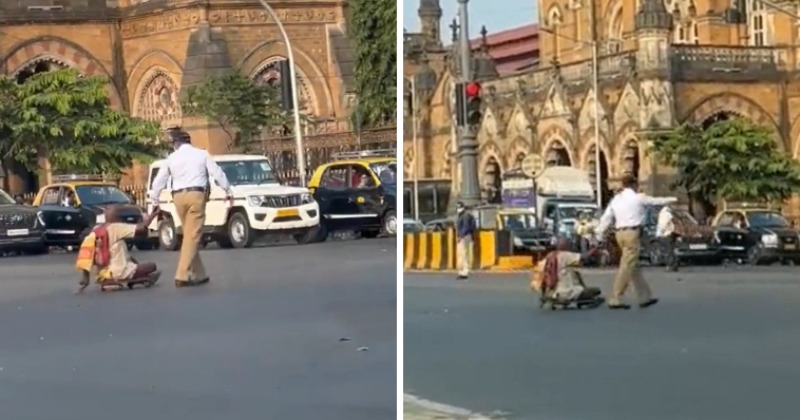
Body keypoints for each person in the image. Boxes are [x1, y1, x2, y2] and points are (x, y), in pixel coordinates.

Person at [149, 128, 234, 287]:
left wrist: (155, 201)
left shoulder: (171, 158)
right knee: (192, 236)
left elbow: (158, 181)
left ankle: (199, 274)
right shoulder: (202, 154)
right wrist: (228, 190)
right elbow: (217, 173)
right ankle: (182, 275)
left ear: (176, 143)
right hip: (196, 195)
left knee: (189, 235)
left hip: (178, 197)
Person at [595, 175, 659, 310]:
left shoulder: (616, 199)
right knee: (627, 265)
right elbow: (655, 201)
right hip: (632, 233)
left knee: (633, 265)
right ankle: (616, 297)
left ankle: (644, 296)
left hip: (620, 234)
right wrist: (673, 199)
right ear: (634, 184)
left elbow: (606, 218)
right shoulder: (638, 197)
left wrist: (599, 233)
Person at [76, 206, 160, 292]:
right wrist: (152, 216)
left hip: (102, 274)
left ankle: (110, 280)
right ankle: (136, 279)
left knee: (134, 263)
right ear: (116, 217)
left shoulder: (96, 231)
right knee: (152, 266)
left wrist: (86, 278)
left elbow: (86, 254)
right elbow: (141, 228)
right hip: (119, 271)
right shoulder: (116, 227)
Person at [532, 238, 603, 303]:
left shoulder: (549, 256)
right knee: (597, 291)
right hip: (568, 292)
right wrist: (594, 250)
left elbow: (542, 275)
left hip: (552, 292)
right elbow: (583, 257)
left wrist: (544, 294)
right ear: (566, 246)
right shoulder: (565, 255)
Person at [455, 201, 477, 280]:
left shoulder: (464, 216)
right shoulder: (464, 216)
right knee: (464, 253)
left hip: (464, 237)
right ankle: (464, 270)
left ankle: (464, 271)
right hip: (466, 236)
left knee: (463, 254)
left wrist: (460, 236)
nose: (458, 209)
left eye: (459, 207)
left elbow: (465, 227)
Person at [656, 203, 680, 271]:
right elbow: (664, 223)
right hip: (668, 233)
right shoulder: (666, 213)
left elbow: (662, 224)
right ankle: (672, 264)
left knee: (669, 250)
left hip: (667, 233)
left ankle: (671, 265)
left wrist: (661, 232)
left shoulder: (665, 213)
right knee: (670, 250)